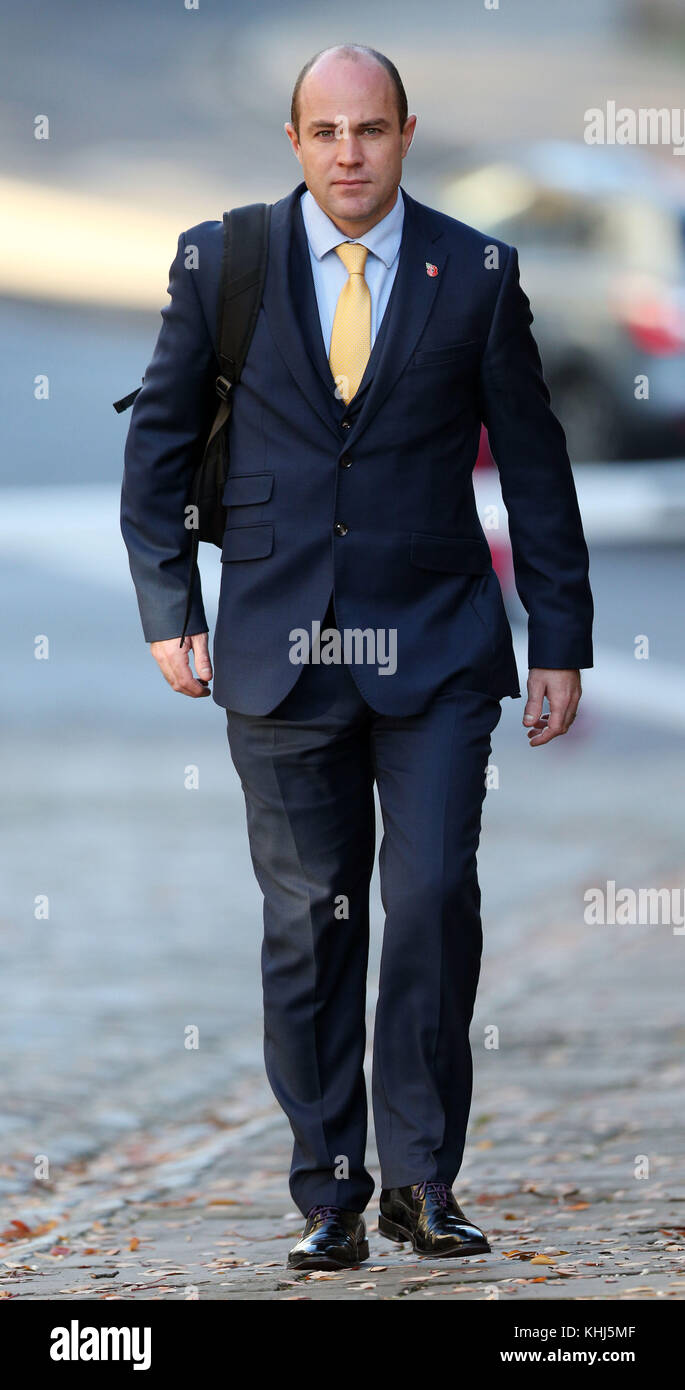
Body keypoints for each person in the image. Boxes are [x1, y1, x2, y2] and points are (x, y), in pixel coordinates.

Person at [120, 43, 593, 1271]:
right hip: (277, 650)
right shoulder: (222, 260)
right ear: (294, 141)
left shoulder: (476, 271)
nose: (348, 153)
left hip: (436, 648)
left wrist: (562, 638)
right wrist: (171, 602)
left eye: (370, 130)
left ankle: (423, 1182)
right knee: (311, 921)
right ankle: (330, 1189)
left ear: (405, 132)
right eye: (325, 132)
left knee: (433, 902)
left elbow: (535, 467)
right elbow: (159, 449)